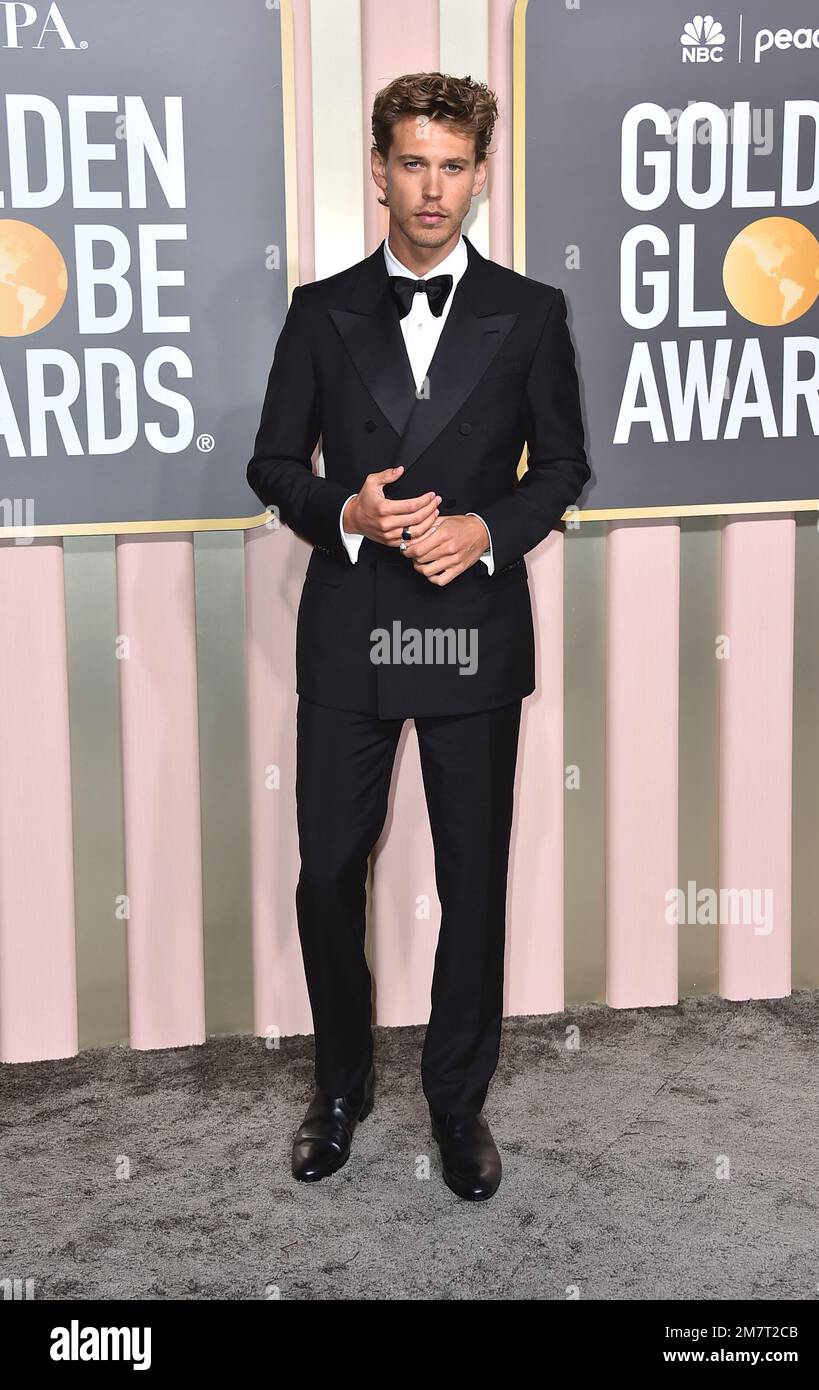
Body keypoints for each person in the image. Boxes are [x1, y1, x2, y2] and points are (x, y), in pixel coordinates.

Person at [246, 71, 589, 1201]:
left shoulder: (531, 311)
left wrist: (489, 526)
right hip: (352, 629)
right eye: (411, 162)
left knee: (471, 879)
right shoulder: (319, 306)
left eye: (452, 165)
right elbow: (271, 464)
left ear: (478, 175)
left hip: (472, 632)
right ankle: (338, 1087)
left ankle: (456, 1102)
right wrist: (342, 510)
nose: (431, 187)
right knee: (327, 870)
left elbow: (566, 464)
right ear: (380, 169)